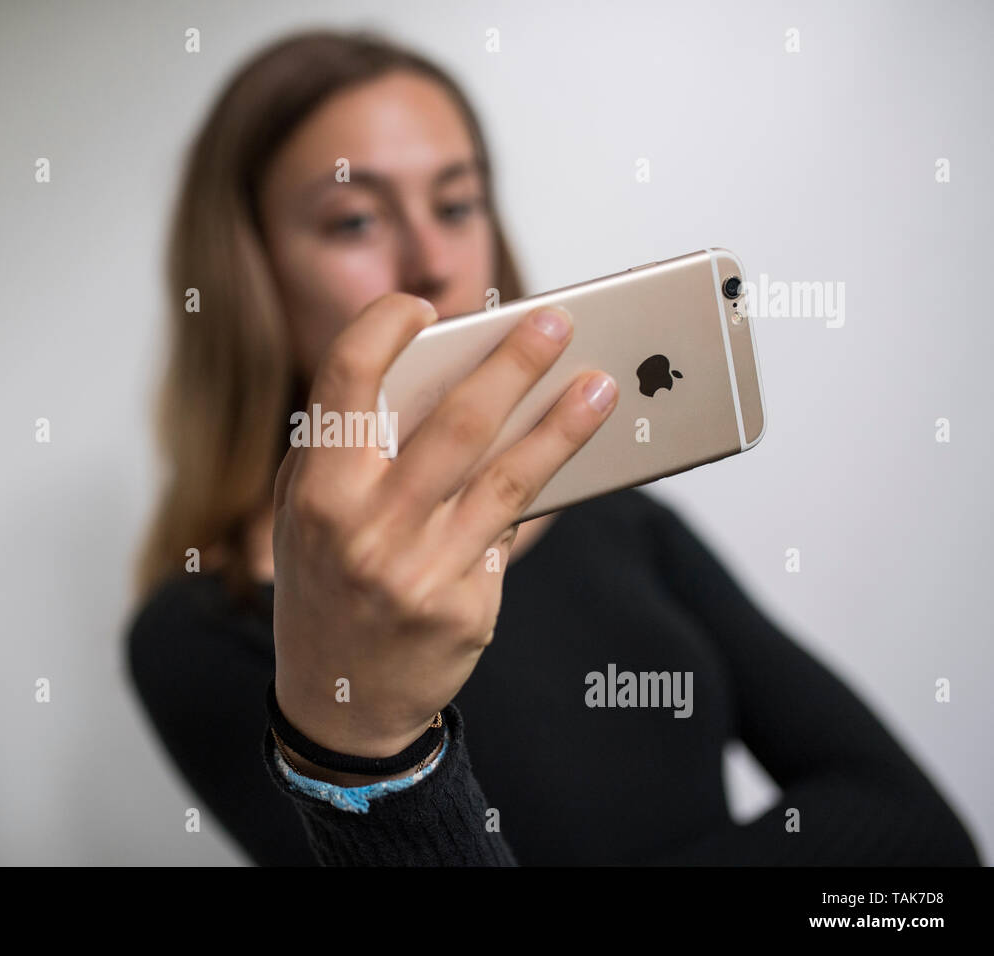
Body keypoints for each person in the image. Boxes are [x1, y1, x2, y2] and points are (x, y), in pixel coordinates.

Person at [124, 28, 980, 866]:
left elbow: (918, 833)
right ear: (252, 276)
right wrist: (368, 743)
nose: (431, 262)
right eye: (354, 219)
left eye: (457, 205)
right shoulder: (201, 634)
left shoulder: (621, 522)